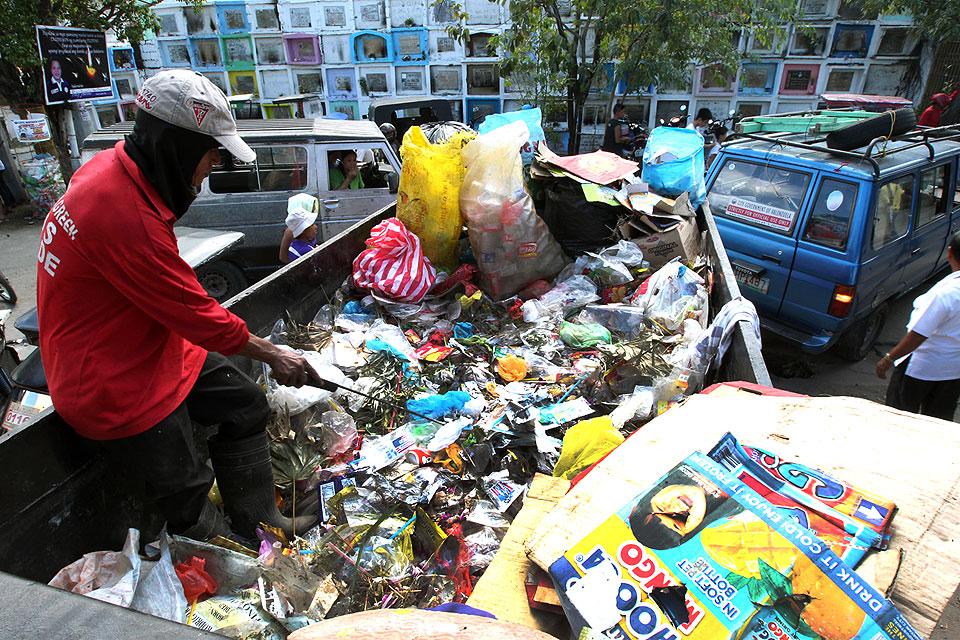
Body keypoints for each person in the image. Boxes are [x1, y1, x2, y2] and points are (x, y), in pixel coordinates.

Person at [36, 69, 316, 543]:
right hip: (109, 381)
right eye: (210, 154)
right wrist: (275, 353)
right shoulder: (122, 212)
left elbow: (183, 309)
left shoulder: (115, 168)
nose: (210, 169)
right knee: (186, 490)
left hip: (149, 342)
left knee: (245, 404)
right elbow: (198, 316)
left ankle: (260, 521)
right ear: (177, 147)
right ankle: (234, 560)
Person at [877, 232, 960, 421]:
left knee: (899, 418)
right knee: (938, 421)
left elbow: (918, 335)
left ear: (949, 253)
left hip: (922, 368)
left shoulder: (946, 294)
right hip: (953, 371)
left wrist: (888, 359)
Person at [278, 193, 319, 264]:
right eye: (312, 224)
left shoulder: (299, 234)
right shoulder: (291, 231)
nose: (316, 227)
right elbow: (283, 258)